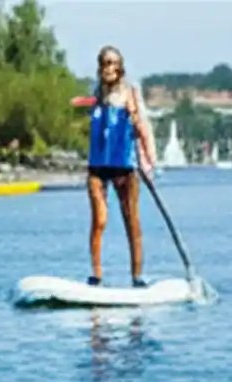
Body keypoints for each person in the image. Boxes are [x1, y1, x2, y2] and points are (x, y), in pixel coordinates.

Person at [86, 45, 158, 288]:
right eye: (104, 62)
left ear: (119, 67)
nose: (108, 67)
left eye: (112, 63)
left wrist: (149, 161)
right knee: (100, 221)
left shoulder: (130, 94)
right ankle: (96, 274)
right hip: (97, 166)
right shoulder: (96, 93)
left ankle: (137, 276)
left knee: (132, 221)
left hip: (124, 167)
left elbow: (143, 129)